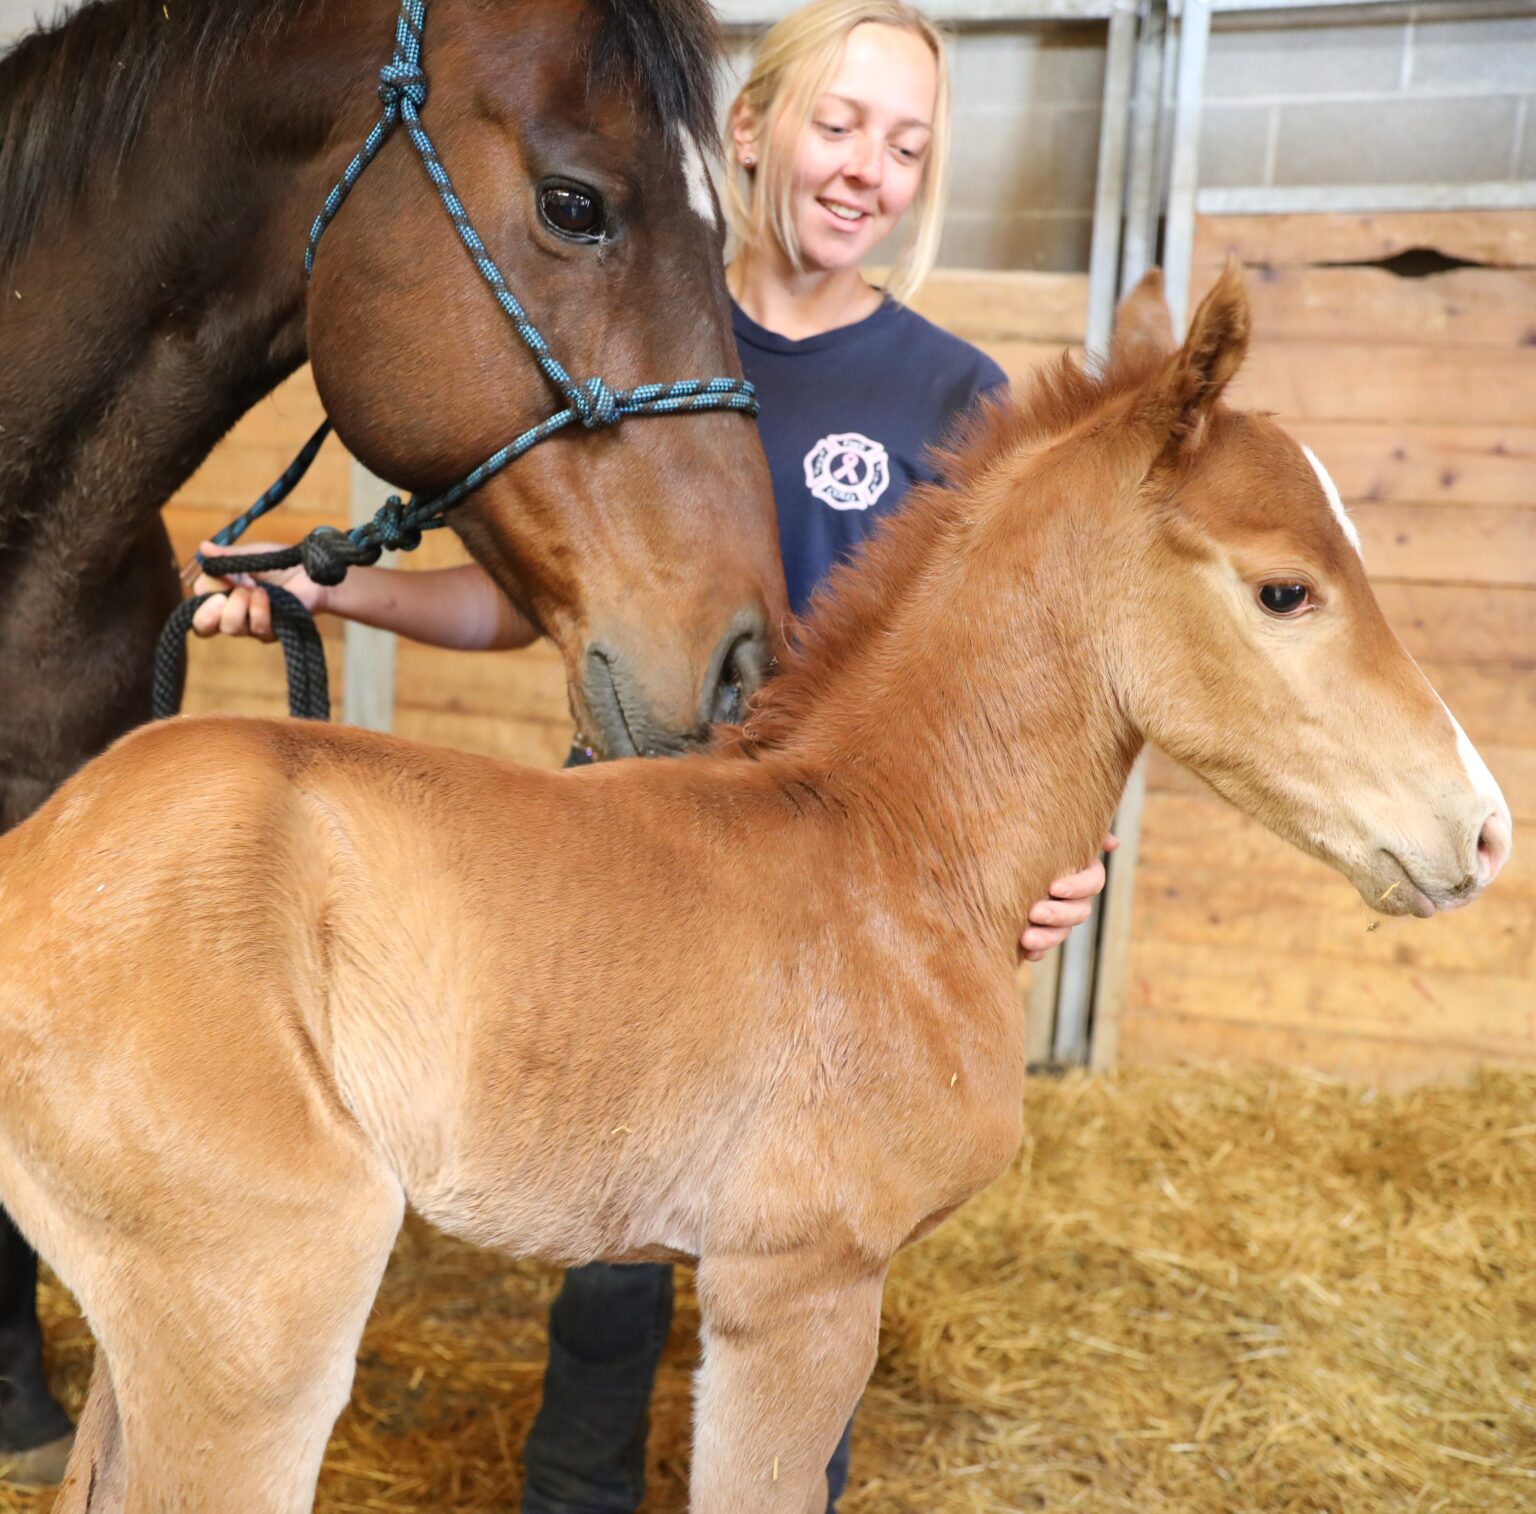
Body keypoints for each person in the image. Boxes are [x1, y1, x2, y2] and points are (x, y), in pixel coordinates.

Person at [193, 4, 1113, 1508]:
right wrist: (325, 580)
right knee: (606, 1279)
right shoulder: (646, 323)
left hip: (833, 908)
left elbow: (1023, 668)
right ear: (749, 132)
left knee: (818, 1259)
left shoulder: (957, 397)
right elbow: (526, 596)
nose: (867, 168)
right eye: (839, 124)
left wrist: (1063, 853)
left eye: (907, 145)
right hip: (636, 850)